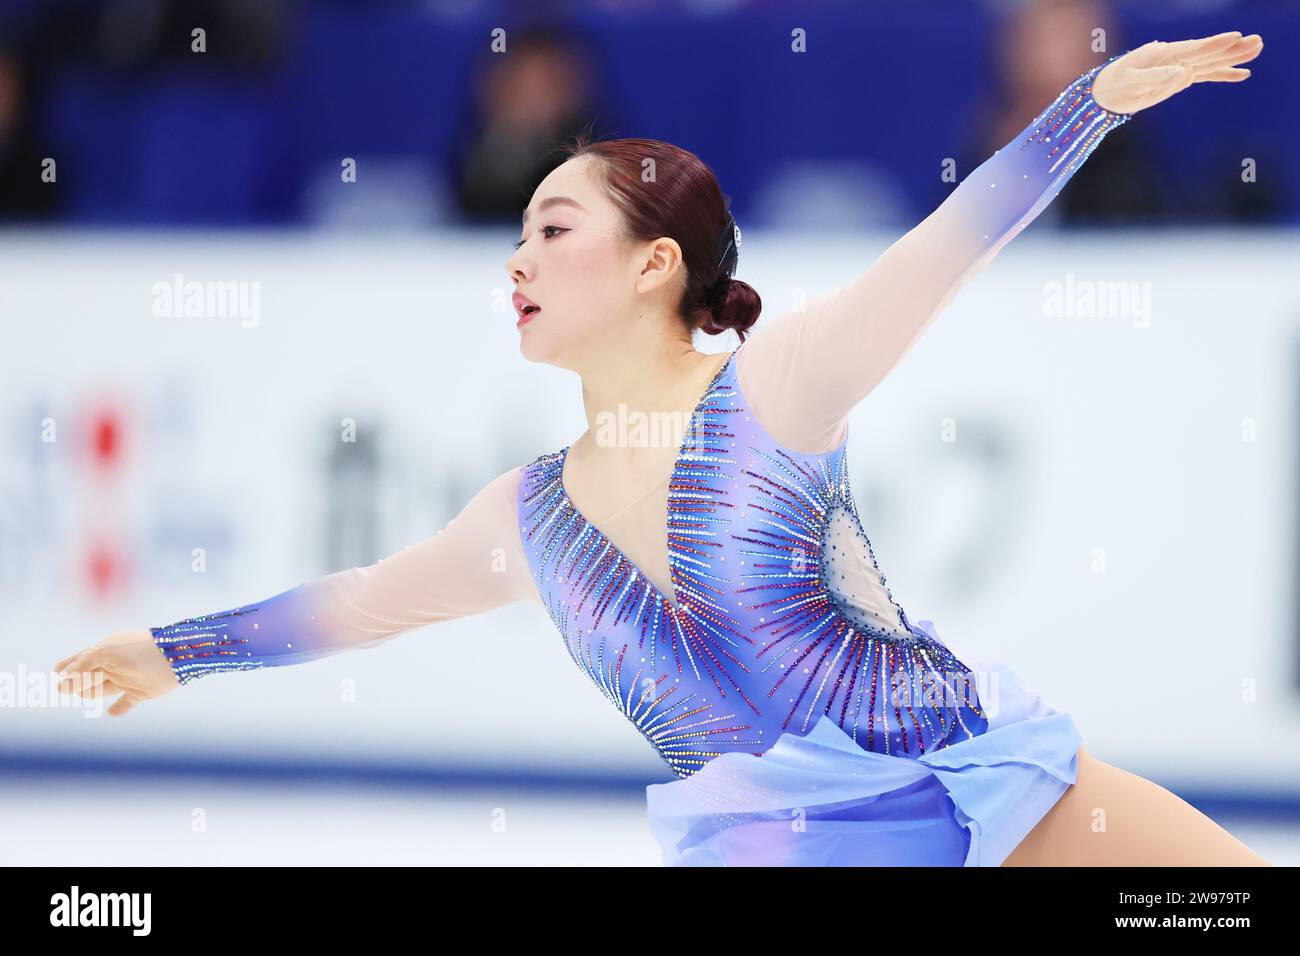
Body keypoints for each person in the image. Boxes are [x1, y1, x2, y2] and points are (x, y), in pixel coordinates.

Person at [57, 33, 1270, 866]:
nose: (516, 258)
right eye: (517, 234)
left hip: (987, 797)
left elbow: (956, 235)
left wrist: (1091, 102)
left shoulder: (780, 385)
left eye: (553, 225)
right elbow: (362, 604)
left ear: (655, 263)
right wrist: (177, 653)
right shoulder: (526, 517)